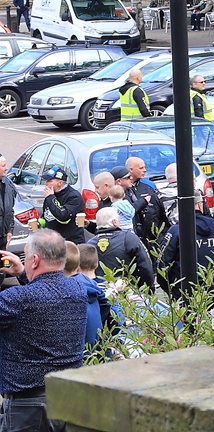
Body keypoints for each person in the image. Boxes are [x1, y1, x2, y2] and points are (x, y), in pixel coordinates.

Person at [0, 231, 90, 432]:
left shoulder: (16, 300)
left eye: (26, 255)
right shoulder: (78, 289)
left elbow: (34, 296)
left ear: (35, 260)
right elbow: (46, 291)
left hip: (28, 409)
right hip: (69, 399)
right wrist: (23, 271)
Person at [158, 202, 214, 292]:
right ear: (200, 205)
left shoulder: (175, 231)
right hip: (213, 289)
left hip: (183, 292)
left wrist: (169, 289)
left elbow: (163, 263)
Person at [92, 208, 154, 288]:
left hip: (99, 291)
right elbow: (145, 267)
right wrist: (147, 288)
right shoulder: (129, 238)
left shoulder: (90, 244)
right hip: (126, 291)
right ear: (115, 222)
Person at [123, 157, 168, 247]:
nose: (145, 170)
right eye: (141, 168)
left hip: (149, 232)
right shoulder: (122, 189)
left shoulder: (149, 186)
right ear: (131, 170)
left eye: (144, 167)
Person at [36, 169, 86, 246]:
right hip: (52, 242)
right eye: (46, 181)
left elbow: (63, 216)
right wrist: (39, 223)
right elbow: (46, 216)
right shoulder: (51, 195)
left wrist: (50, 198)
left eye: (50, 181)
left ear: (60, 183)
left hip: (69, 243)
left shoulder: (74, 196)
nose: (46, 183)